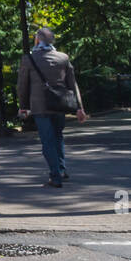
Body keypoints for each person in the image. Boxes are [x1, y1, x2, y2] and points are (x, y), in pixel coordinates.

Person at [17, 27, 87, 188]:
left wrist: (23, 106)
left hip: (40, 106)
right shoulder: (63, 58)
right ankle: (61, 169)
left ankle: (55, 176)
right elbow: (72, 84)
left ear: (37, 41)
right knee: (58, 137)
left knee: (47, 140)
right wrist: (79, 107)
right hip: (59, 104)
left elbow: (22, 86)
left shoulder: (29, 59)